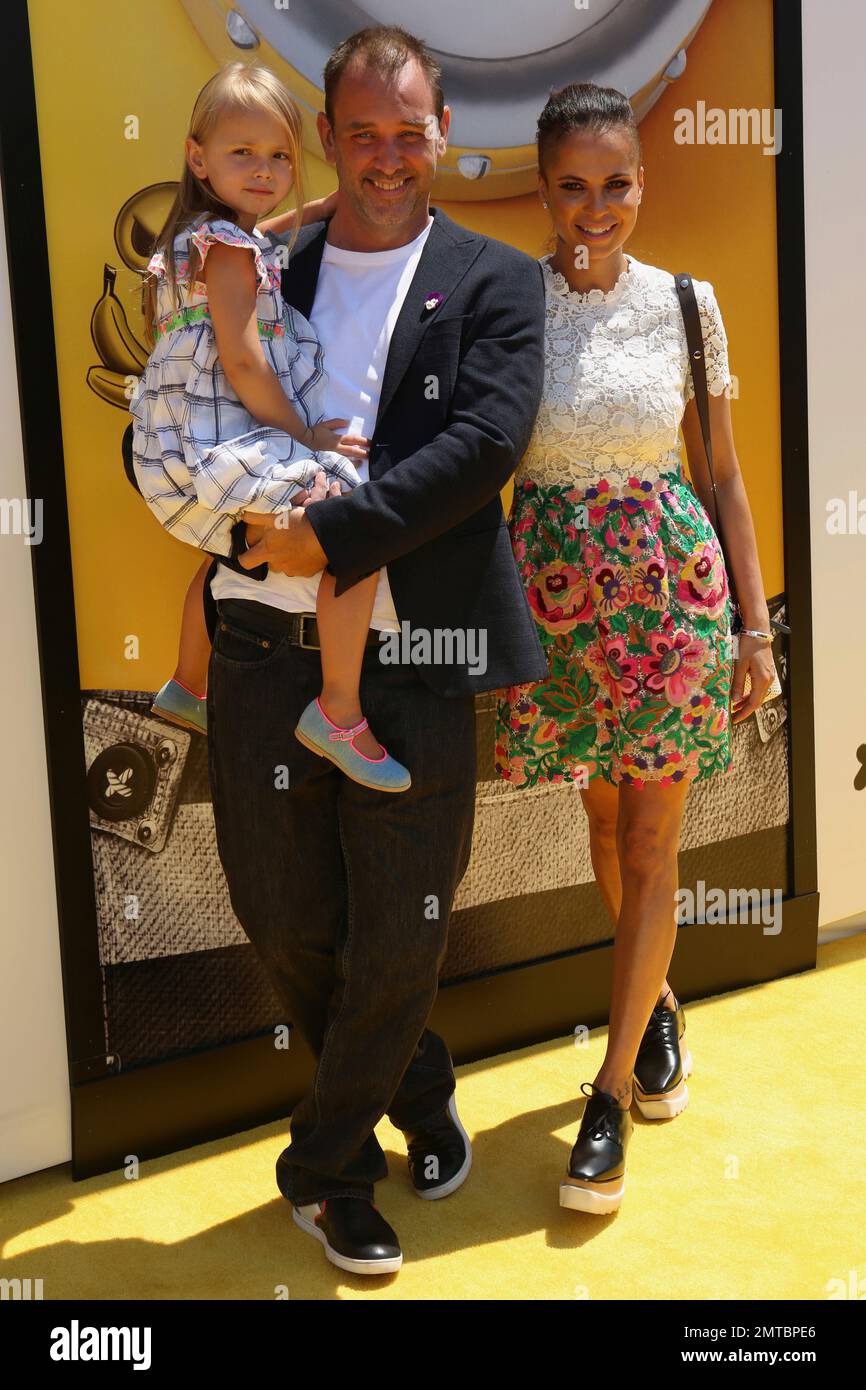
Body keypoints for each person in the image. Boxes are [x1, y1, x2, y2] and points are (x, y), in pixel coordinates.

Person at [123, 24, 548, 1275]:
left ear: (439, 133)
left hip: (416, 649)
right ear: (324, 134)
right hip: (261, 643)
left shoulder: (493, 278)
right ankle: (407, 1075)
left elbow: (484, 448)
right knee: (280, 909)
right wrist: (214, 502)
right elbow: (187, 383)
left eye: (404, 131)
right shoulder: (265, 256)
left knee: (406, 923)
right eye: (357, 131)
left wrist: (336, 534)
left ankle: (322, 1167)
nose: (382, 155)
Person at [494, 83, 778, 1215]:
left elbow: (718, 474)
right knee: (604, 824)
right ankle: (653, 1004)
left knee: (654, 836)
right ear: (544, 188)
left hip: (669, 598)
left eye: (614, 182)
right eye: (571, 185)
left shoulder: (685, 304)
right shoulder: (508, 303)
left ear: (641, 182)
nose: (593, 207)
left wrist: (755, 625)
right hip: (557, 604)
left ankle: (607, 1091)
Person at [129, 62, 410, 791]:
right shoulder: (228, 253)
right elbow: (247, 365)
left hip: (184, 447)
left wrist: (310, 212)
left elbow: (259, 238)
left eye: (279, 155)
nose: (264, 170)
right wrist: (305, 437)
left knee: (236, 548)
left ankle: (189, 685)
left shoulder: (204, 239)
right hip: (227, 430)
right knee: (354, 522)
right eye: (242, 154)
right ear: (198, 157)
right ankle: (338, 707)